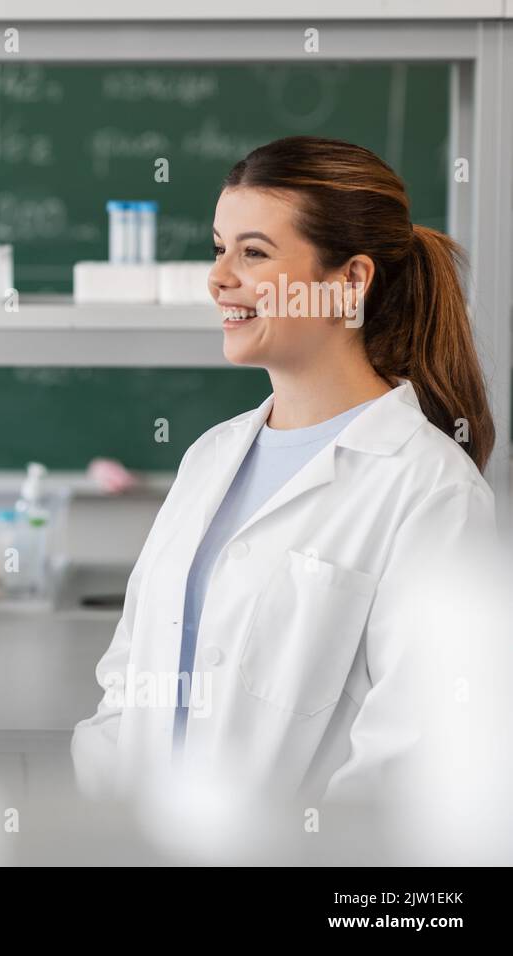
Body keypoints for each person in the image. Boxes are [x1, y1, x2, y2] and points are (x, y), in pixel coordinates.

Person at [71, 136, 498, 804]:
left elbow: (405, 763)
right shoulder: (211, 457)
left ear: (350, 281)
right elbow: (129, 682)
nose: (218, 278)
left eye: (254, 253)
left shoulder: (431, 490)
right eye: (219, 248)